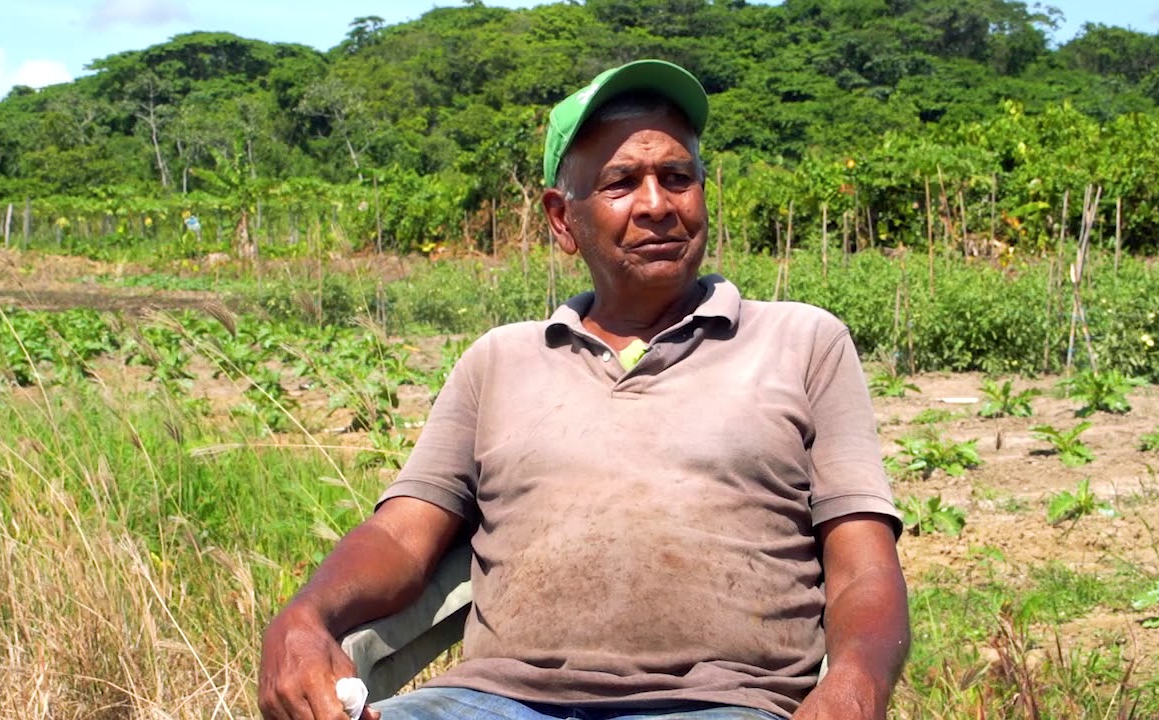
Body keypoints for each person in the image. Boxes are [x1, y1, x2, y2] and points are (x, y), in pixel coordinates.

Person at [259, 59, 909, 720]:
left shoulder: (803, 343)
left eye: (678, 178)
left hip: (717, 704)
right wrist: (305, 617)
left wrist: (854, 684)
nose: (658, 204)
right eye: (622, 182)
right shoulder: (500, 360)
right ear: (562, 220)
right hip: (489, 702)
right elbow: (401, 538)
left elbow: (862, 564)